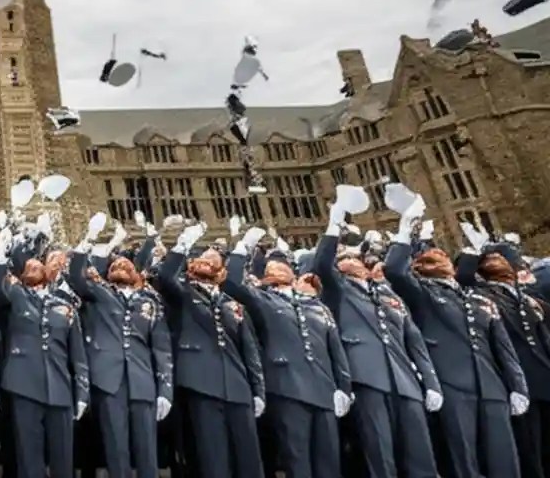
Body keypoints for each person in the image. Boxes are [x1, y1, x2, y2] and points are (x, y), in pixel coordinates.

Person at [384, 201, 528, 478]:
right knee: (464, 462)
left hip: (492, 387)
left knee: (504, 461)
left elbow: (503, 348)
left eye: (444, 256)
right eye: (434, 258)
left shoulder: (476, 298)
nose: (443, 259)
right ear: (423, 268)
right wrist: (405, 228)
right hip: (453, 388)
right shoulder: (423, 295)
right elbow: (395, 270)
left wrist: (517, 386)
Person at [223, 224, 352, 478]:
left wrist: (343, 388)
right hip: (288, 389)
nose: (279, 270)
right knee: (298, 461)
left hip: (324, 389)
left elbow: (335, 350)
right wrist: (243, 247)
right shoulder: (264, 301)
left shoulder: (316, 306)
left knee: (329, 463)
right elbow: (232, 282)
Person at [154, 222, 266, 478]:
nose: (207, 261)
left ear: (222, 271)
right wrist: (182, 244)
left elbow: (249, 350)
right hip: (202, 384)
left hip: (238, 386)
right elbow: (166, 276)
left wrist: (258, 390)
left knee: (249, 457)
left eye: (213, 260)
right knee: (213, 457)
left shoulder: (232, 303)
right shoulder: (183, 294)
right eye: (202, 258)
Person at [66, 219, 173, 478]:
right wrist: (89, 238)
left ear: (137, 274)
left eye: (126, 264)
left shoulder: (149, 302)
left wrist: (165, 390)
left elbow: (161, 348)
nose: (121, 266)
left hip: (143, 381)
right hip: (108, 382)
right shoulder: (99, 293)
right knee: (117, 450)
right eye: (115, 265)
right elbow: (75, 277)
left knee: (147, 451)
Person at [0, 226, 90, 478]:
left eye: (37, 266)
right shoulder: (17, 296)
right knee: (28, 457)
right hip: (24, 385)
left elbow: (77, 355)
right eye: (27, 267)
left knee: (63, 459)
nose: (32, 268)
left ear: (46, 272)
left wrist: (83, 391)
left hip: (60, 388)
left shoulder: (64, 306)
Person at [456, 226, 550, 478]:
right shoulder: (483, 296)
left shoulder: (526, 297)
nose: (496, 262)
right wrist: (474, 250)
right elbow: (462, 277)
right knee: (532, 450)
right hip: (520, 381)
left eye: (501, 259)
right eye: (490, 260)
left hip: (544, 377)